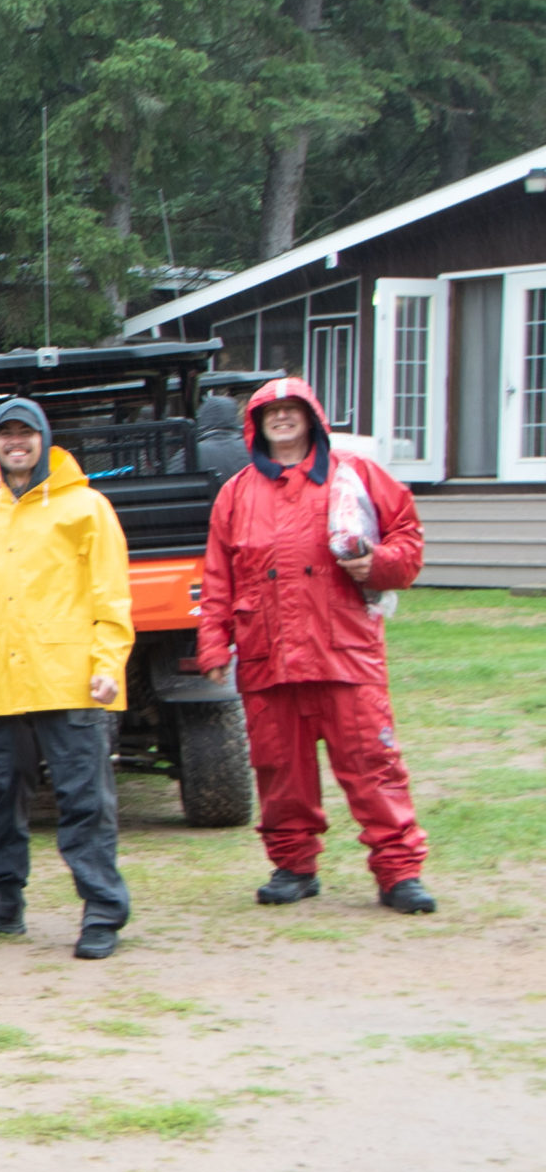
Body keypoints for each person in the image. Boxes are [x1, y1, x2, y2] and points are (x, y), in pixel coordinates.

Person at [198, 377, 436, 913]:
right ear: (255, 424)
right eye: (270, 411)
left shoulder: (356, 475)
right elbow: (218, 578)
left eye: (291, 409)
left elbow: (409, 541)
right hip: (268, 657)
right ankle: (292, 866)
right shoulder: (236, 493)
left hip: (344, 653)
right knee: (280, 770)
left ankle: (399, 873)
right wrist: (213, 644)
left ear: (312, 417)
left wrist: (377, 564)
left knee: (374, 766)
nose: (281, 418)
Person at [0, 400, 135, 958]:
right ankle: (0, 904)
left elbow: (111, 595)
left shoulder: (87, 508)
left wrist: (107, 666)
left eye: (27, 433)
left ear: (45, 440)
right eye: (7, 434)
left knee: (84, 801)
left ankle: (101, 910)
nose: (16, 443)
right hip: (1, 686)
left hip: (69, 681)